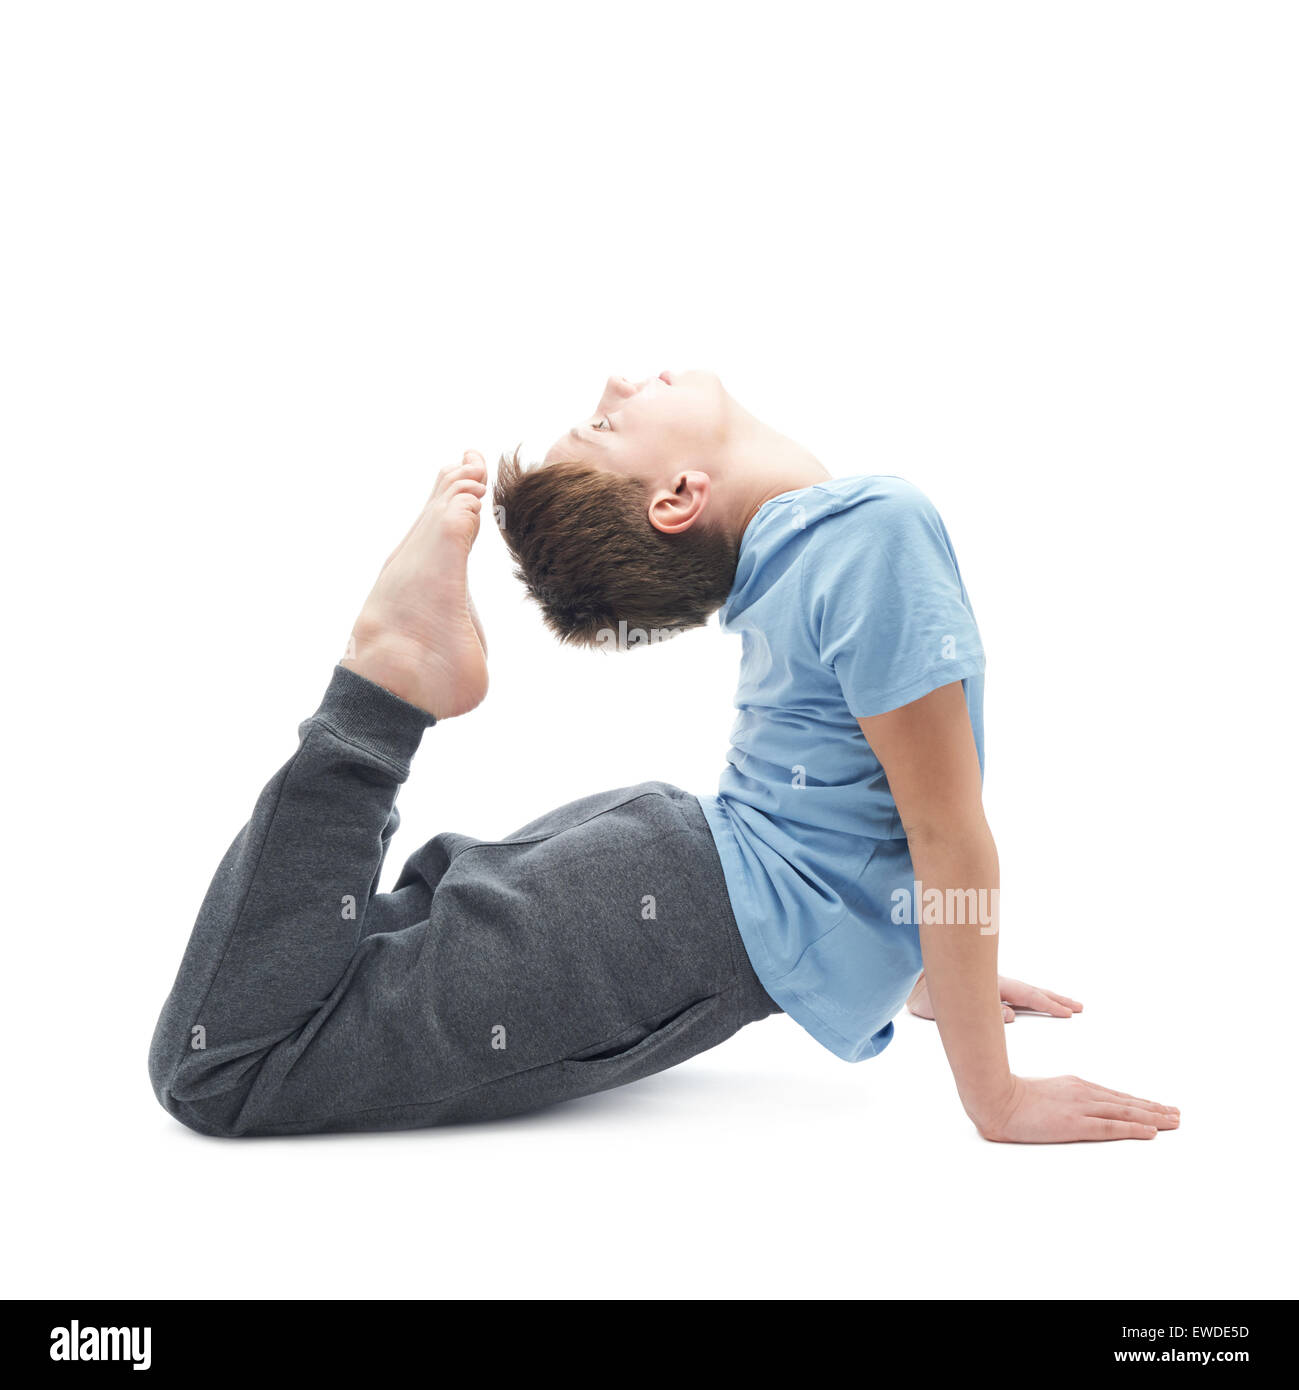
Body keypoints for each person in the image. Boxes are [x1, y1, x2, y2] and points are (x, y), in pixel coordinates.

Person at [148, 370, 1178, 1142]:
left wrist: (937, 972)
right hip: (665, 907)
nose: (616, 385)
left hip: (661, 888)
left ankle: (385, 697)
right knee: (225, 1066)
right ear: (679, 495)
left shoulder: (819, 548)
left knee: (305, 991)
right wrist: (990, 1091)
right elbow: (941, 831)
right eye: (607, 423)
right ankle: (384, 686)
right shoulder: (866, 535)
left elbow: (884, 809)